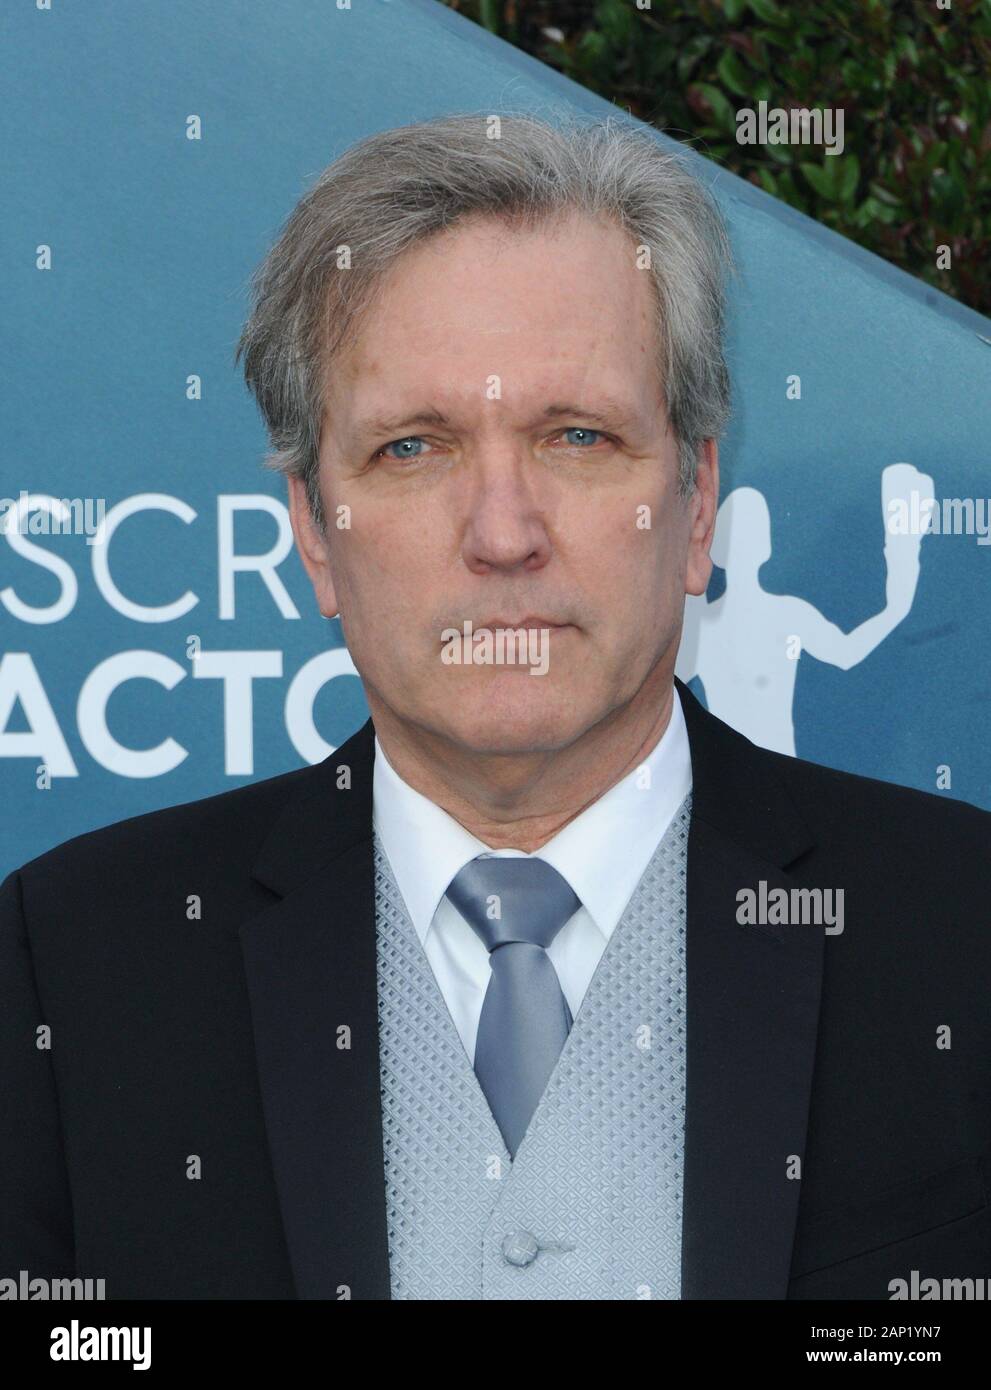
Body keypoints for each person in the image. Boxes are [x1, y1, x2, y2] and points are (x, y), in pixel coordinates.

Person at [2, 114, 988, 1301]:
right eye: (414, 449)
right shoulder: (69, 964)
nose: (503, 533)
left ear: (696, 499)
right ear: (315, 531)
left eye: (577, 435)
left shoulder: (960, 931)